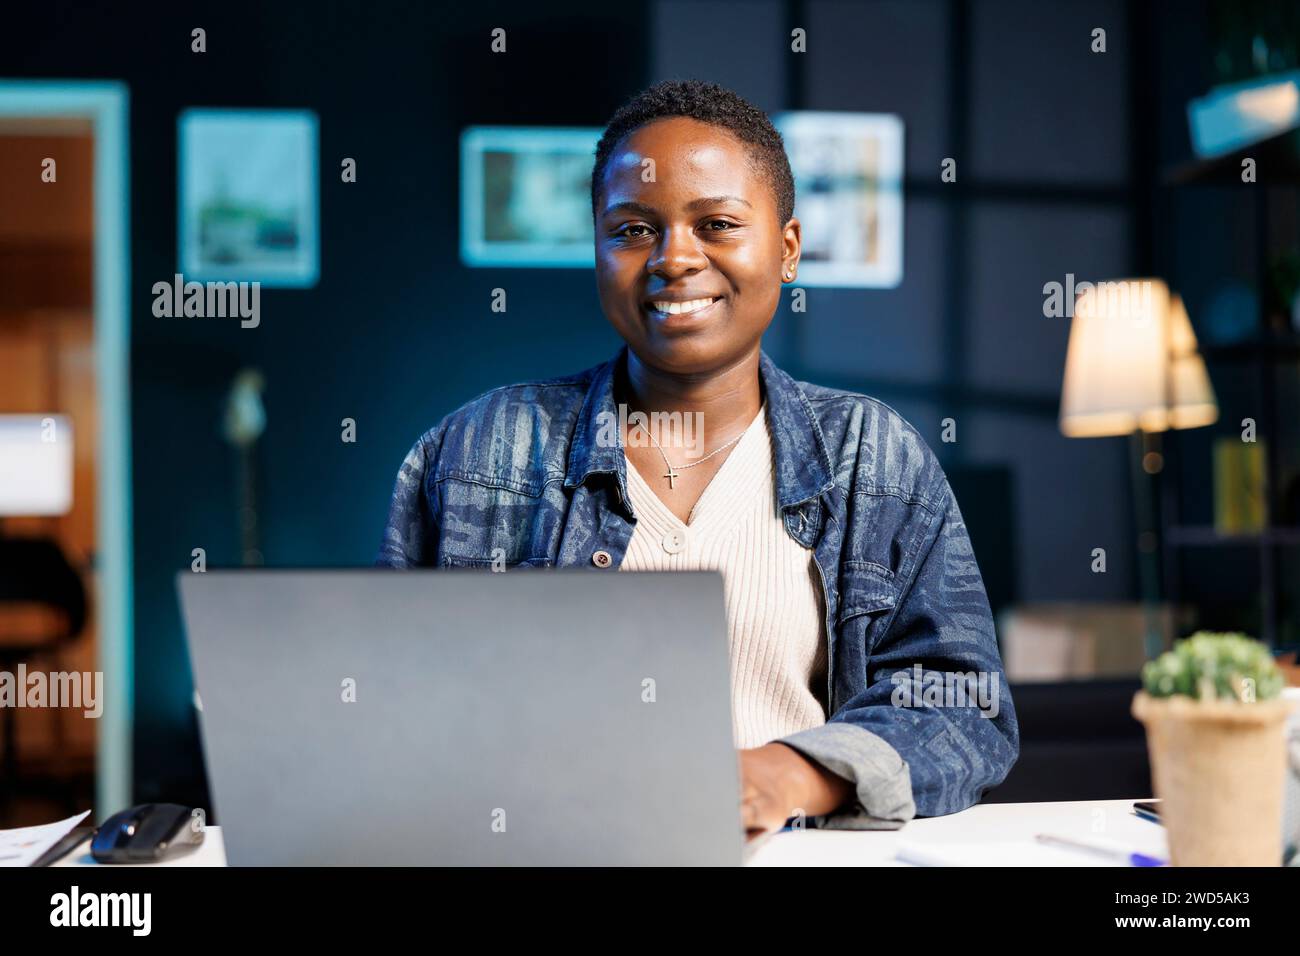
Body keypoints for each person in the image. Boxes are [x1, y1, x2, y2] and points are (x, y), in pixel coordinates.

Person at [378, 79, 1018, 839]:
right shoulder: (473, 452)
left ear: (785, 250)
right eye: (632, 230)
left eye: (716, 223)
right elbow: (396, 711)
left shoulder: (874, 456)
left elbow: (962, 703)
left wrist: (790, 773)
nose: (674, 259)